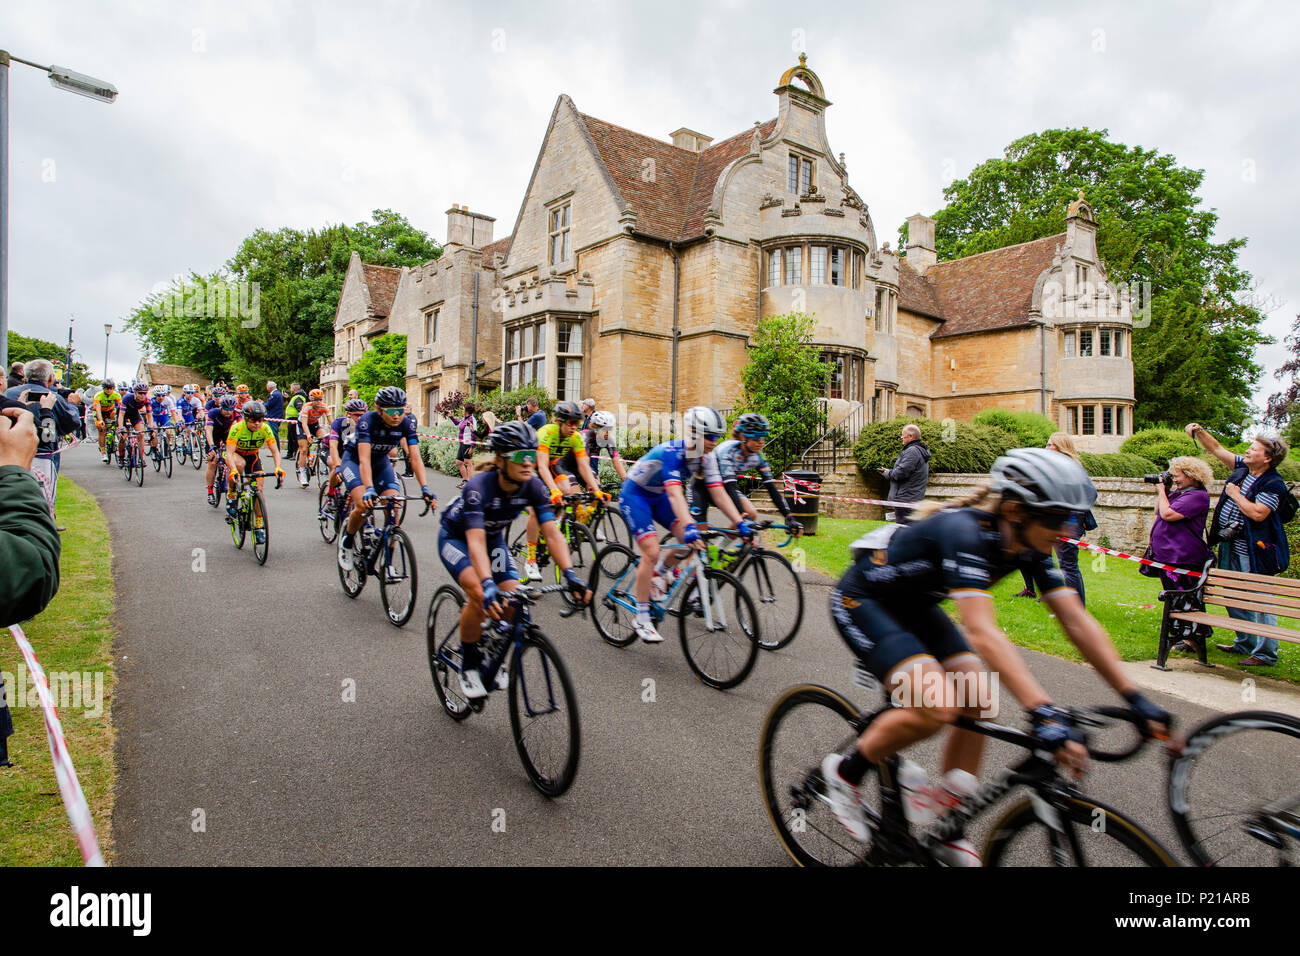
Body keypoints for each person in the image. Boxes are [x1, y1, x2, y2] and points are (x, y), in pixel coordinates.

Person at [820, 448, 1173, 863]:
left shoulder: (1031, 547)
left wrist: (1133, 695)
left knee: (979, 698)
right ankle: (844, 774)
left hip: (915, 606)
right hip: (863, 600)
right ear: (1015, 510)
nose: (1064, 530)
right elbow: (982, 631)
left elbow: (1076, 621)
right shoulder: (966, 532)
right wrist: (1041, 710)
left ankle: (951, 820)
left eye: (1068, 520)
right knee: (935, 705)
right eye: (1056, 519)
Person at [437, 420, 589, 699]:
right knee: (480, 593)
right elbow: (475, 541)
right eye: (521, 456)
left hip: (492, 540)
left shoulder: (533, 486)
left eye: (532, 455)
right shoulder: (479, 487)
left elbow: (552, 534)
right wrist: (486, 582)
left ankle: (494, 643)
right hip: (457, 538)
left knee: (513, 596)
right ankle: (469, 664)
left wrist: (570, 574)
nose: (528, 462)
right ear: (502, 459)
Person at [619, 406, 753, 644]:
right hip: (636, 495)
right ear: (693, 433)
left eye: (717, 437)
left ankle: (658, 576)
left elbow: (719, 493)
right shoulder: (672, 452)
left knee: (691, 543)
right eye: (709, 436)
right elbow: (675, 494)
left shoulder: (707, 458)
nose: (714, 442)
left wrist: (740, 522)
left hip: (658, 496)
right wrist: (690, 525)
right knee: (651, 551)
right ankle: (641, 616)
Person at [1188, 423, 1290, 667]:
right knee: (1230, 593)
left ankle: (1266, 654)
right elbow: (1216, 449)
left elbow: (1258, 514)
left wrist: (1234, 494)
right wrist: (1200, 431)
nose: (1248, 450)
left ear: (1267, 458)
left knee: (1261, 599)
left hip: (1256, 552)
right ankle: (1244, 641)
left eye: (1254, 449)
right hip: (1229, 544)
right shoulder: (1243, 467)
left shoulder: (1274, 484)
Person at [335, 387, 436, 573]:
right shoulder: (367, 421)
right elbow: (364, 460)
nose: (397, 416)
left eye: (400, 410)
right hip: (355, 462)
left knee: (394, 506)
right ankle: (347, 542)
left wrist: (425, 488)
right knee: (363, 504)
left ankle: (387, 562)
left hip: (381, 463)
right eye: (391, 411)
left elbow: (415, 457)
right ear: (379, 409)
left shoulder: (405, 424)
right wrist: (369, 488)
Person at [521, 400, 608, 581]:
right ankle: (530, 559)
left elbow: (584, 467)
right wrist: (552, 490)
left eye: (576, 423)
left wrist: (596, 489)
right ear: (559, 421)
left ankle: (554, 526)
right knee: (537, 509)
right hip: (531, 466)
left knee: (568, 491)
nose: (573, 427)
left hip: (553, 465)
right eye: (570, 423)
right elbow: (542, 467)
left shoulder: (575, 437)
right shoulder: (547, 432)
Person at [688, 412, 803, 538]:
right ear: (743, 437)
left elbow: (772, 489)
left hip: (724, 489)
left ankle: (723, 549)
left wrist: (788, 516)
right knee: (699, 538)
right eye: (756, 437)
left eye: (763, 437)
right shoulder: (727, 451)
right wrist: (742, 516)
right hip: (701, 489)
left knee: (751, 514)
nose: (761, 442)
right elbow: (730, 488)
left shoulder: (758, 457)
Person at [1014, 432, 1096, 604]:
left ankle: (1077, 604)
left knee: (1068, 564)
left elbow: (1091, 494)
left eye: (1050, 444)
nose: (1047, 448)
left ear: (1061, 447)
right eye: (1047, 444)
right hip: (1053, 521)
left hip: (1070, 522)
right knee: (1043, 557)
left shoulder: (1071, 467)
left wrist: (1071, 512)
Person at [0, 398, 60, 626]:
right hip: (36, 459)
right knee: (45, 507)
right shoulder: (23, 406)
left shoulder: (15, 399)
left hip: (22, 460)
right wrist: (47, 412)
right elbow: (49, 437)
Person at [6, 360, 84, 516]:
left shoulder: (9, 394)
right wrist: (72, 405)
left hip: (12, 451)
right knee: (45, 494)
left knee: (13, 493)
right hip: (43, 452)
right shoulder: (52, 398)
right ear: (50, 378)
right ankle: (47, 519)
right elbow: (70, 424)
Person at [222, 401, 285, 542]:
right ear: (246, 419)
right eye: (253, 420)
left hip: (252, 456)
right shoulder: (237, 428)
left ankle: (258, 526)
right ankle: (231, 495)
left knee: (259, 491)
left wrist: (278, 467)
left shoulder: (265, 429)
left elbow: (275, 451)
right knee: (239, 464)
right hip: (235, 455)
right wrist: (233, 470)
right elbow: (229, 452)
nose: (257, 424)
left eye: (260, 420)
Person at [878, 422, 931, 523]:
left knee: (904, 529)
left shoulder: (912, 451)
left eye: (903, 436)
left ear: (911, 436)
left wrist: (887, 473)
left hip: (905, 499)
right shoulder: (918, 451)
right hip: (911, 497)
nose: (902, 438)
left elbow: (900, 473)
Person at [204, 394, 241, 504]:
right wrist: (211, 446)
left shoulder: (236, 414)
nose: (229, 412)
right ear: (221, 407)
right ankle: (210, 492)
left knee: (232, 460)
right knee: (212, 462)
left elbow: (241, 427)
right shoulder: (214, 412)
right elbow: (209, 430)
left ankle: (231, 489)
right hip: (214, 436)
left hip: (226, 436)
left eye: (231, 409)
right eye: (226, 409)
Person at [294, 388, 332, 487]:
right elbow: (304, 424)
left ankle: (320, 458)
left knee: (324, 438)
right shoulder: (307, 407)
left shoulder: (324, 407)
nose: (319, 402)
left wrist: (335, 432)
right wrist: (307, 435)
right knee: (304, 449)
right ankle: (302, 472)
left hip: (314, 425)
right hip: (302, 425)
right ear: (311, 400)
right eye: (316, 399)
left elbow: (331, 422)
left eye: (320, 399)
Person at [91, 379, 122, 462]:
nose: (109, 390)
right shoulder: (98, 395)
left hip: (110, 411)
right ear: (103, 388)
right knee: (102, 430)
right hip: (99, 411)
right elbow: (98, 409)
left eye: (111, 388)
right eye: (107, 388)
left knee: (116, 423)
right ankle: (103, 453)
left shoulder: (117, 395)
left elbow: (121, 407)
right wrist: (101, 421)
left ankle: (113, 436)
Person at [455, 402, 478, 487]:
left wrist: (472, 447)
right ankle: (465, 480)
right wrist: (450, 416)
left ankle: (470, 484)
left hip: (467, 443)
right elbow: (457, 423)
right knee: (459, 462)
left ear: (467, 410)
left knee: (468, 462)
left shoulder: (472, 419)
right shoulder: (465, 418)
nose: (462, 410)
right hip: (462, 443)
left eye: (463, 409)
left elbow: (474, 433)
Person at [264, 381, 286, 451]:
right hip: (277, 416)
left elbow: (268, 405)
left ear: (270, 387)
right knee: (273, 433)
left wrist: (261, 403)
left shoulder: (274, 395)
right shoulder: (277, 394)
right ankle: (275, 450)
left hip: (274, 417)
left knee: (273, 434)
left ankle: (276, 450)